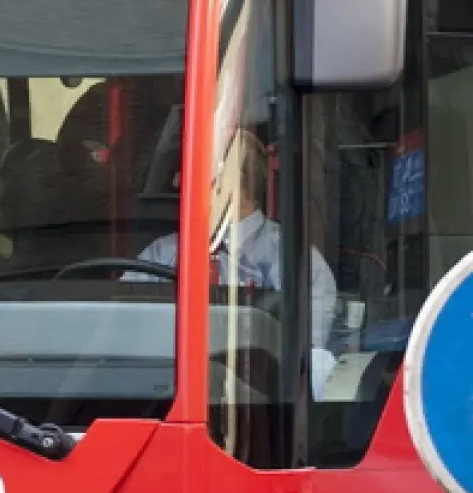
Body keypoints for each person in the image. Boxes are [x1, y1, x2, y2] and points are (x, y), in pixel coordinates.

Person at [126, 129, 339, 391]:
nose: (180, 181)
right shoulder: (162, 252)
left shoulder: (296, 261)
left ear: (243, 187)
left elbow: (308, 359)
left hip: (257, 408)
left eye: (202, 173)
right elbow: (124, 330)